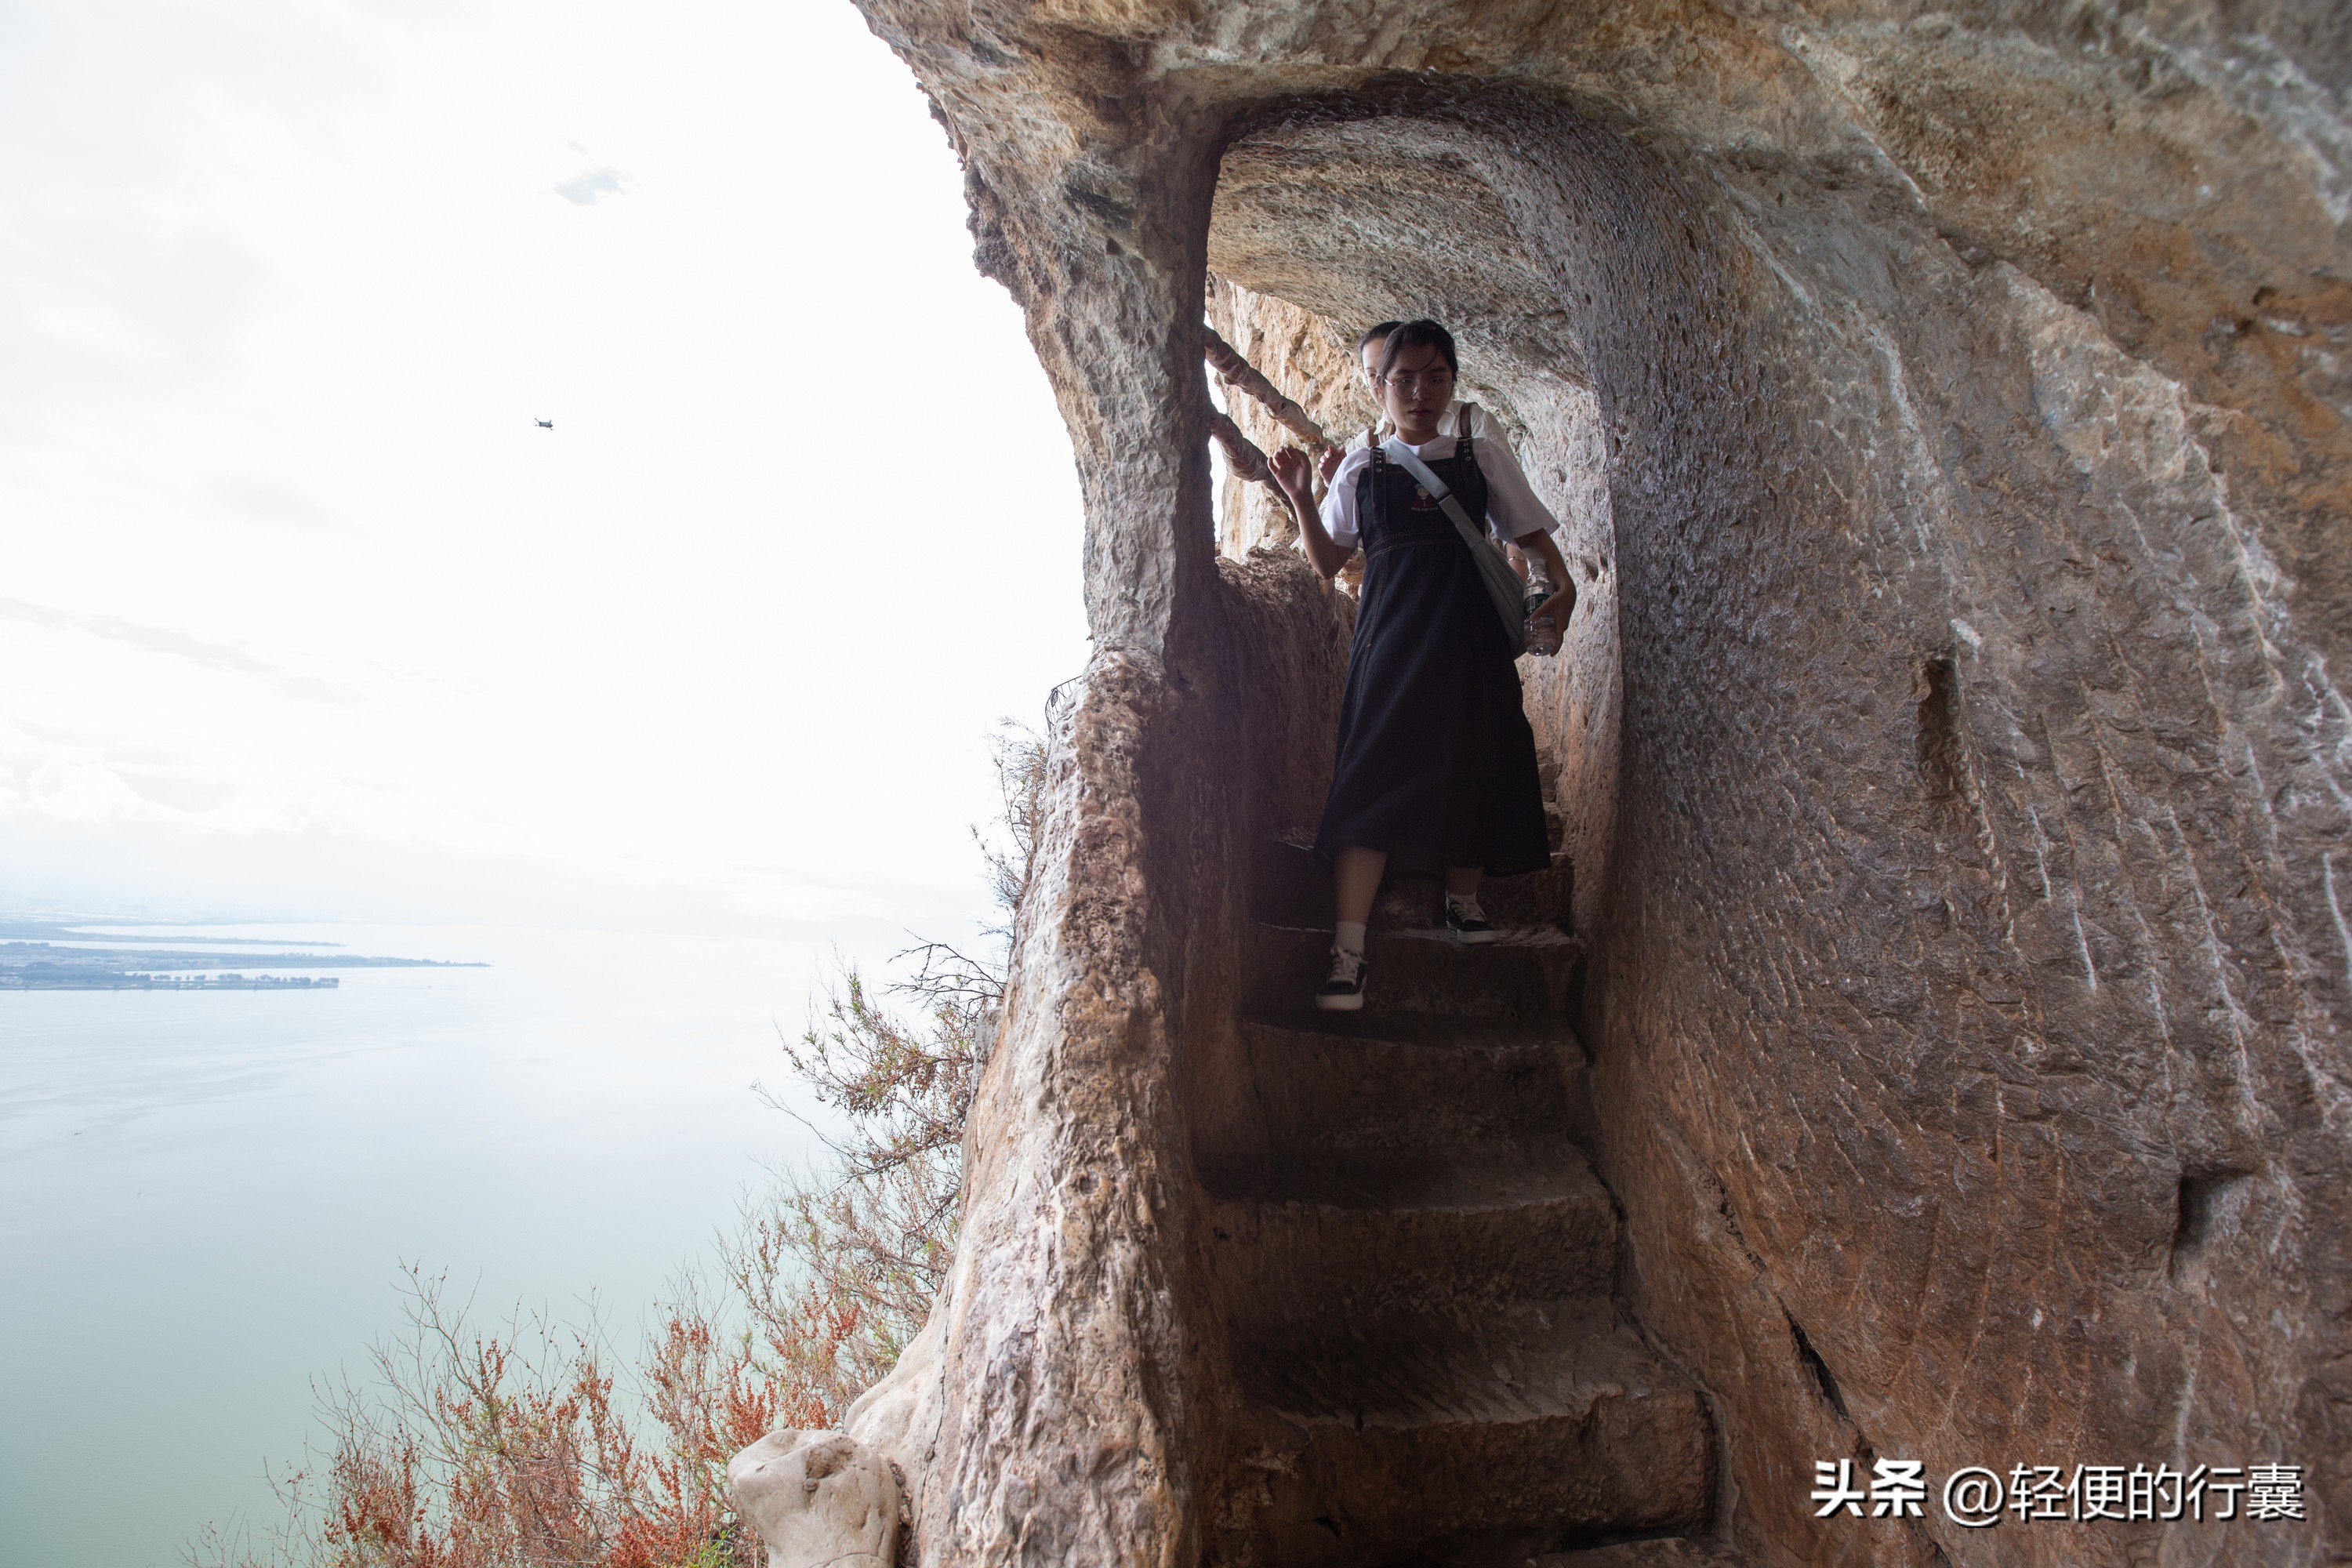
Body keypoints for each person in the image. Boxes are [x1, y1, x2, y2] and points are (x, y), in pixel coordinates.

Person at [1270, 320, 1576, 1011]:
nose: (1419, 392)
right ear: (1380, 386)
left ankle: (1463, 902)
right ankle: (1349, 953)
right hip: (1390, 640)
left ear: (1451, 381)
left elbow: (1536, 548)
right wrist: (1297, 497)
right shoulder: (1360, 466)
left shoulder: (1479, 455)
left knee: (1479, 756)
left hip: (1468, 635)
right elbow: (1326, 560)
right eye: (1404, 379)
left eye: (1435, 378)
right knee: (1368, 776)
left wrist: (1558, 591)